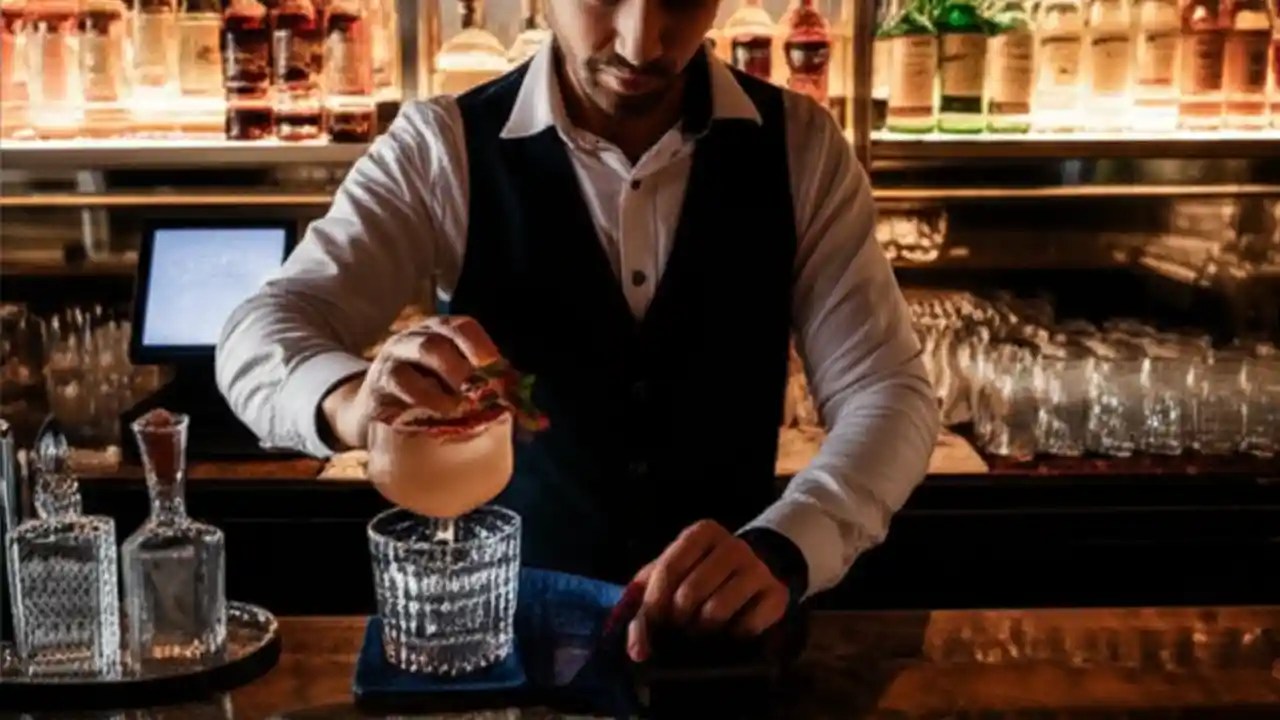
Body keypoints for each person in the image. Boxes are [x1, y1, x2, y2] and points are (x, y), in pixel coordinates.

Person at [215, 0, 938, 663]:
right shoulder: (445, 147)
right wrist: (350, 401)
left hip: (727, 656)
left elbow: (887, 389)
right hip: (507, 651)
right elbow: (259, 331)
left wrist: (786, 546)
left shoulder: (801, 147)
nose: (640, 42)